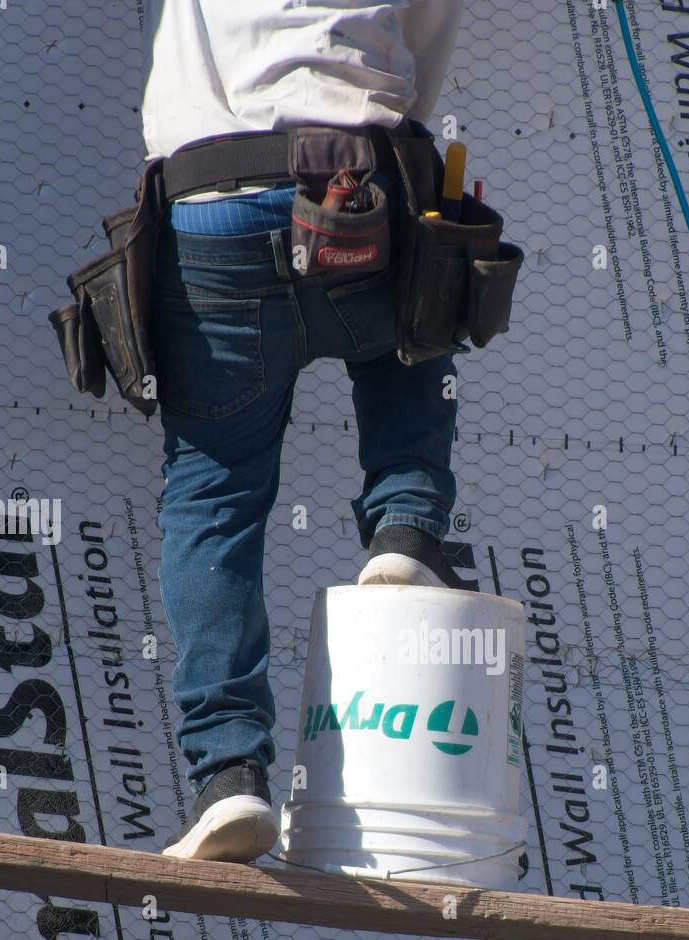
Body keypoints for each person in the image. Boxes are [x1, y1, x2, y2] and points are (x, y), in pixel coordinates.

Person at [140, 1, 467, 863]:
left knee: (215, 494)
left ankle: (229, 779)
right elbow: (424, 56)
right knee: (412, 332)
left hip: (215, 195)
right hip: (363, 171)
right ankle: (404, 530)